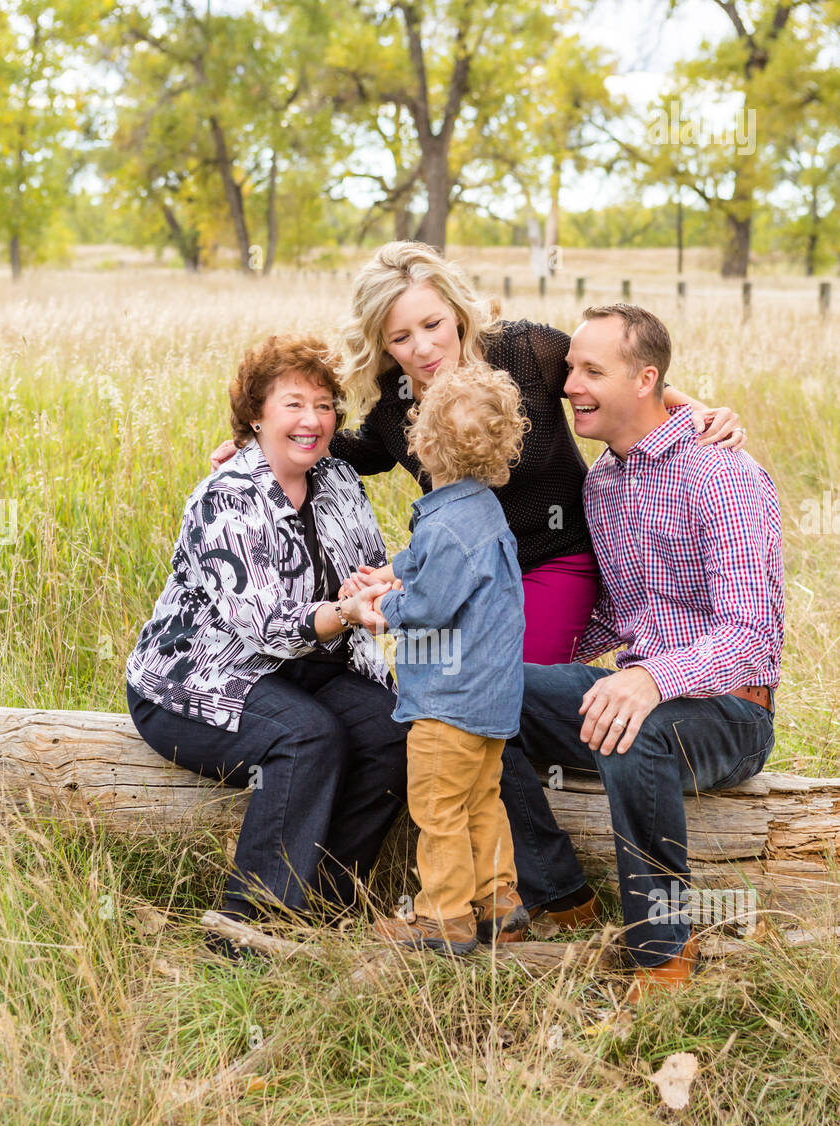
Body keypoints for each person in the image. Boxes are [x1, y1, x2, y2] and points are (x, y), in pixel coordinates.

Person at [211, 242, 747, 665]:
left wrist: (693, 407)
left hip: (551, 559)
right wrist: (259, 442)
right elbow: (363, 453)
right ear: (382, 342)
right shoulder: (397, 397)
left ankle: (523, 801)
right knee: (430, 685)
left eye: (432, 324)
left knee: (515, 690)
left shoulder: (523, 350)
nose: (421, 349)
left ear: (457, 311)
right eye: (399, 338)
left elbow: (609, 376)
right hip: (457, 567)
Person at [509, 303, 784, 1003]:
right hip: (648, 690)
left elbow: (750, 634)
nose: (570, 385)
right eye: (571, 368)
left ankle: (663, 956)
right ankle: (560, 891)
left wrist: (652, 679)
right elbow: (616, 616)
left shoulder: (721, 472)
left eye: (591, 371)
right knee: (485, 692)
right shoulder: (603, 483)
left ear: (646, 379)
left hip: (730, 711)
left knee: (636, 730)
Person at [125, 335, 408, 947]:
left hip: (304, 671)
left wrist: (379, 587)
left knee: (393, 729)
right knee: (307, 736)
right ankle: (246, 933)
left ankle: (324, 912)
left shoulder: (337, 479)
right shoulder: (227, 495)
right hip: (195, 679)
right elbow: (266, 624)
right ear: (256, 415)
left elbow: (366, 566)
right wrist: (346, 609)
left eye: (326, 405)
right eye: (294, 404)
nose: (313, 420)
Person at [363, 361, 530, 955]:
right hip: (489, 700)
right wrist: (396, 568)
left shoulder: (444, 526)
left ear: (421, 443)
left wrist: (382, 606)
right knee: (482, 798)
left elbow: (430, 606)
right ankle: (498, 902)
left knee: (436, 808)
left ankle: (442, 916)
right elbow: (437, 564)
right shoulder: (483, 510)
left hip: (446, 703)